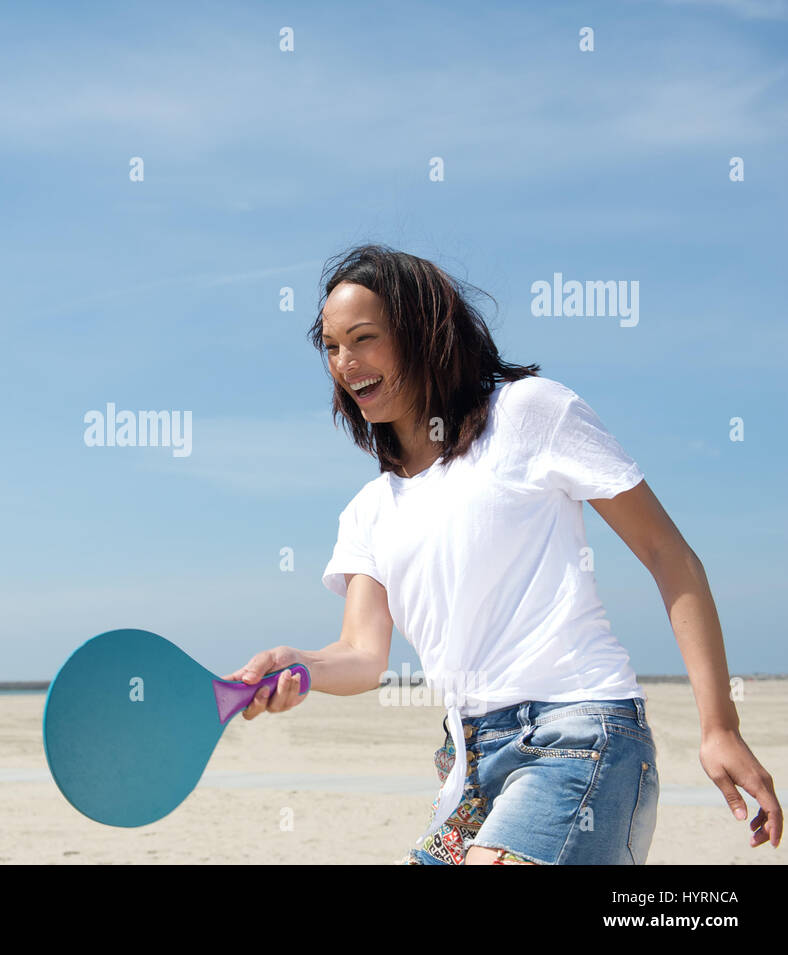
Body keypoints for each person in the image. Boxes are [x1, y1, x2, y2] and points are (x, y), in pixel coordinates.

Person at [226, 244, 781, 864]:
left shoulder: (527, 413)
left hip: (579, 737)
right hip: (467, 766)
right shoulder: (369, 511)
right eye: (330, 347)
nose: (345, 362)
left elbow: (668, 553)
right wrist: (296, 662)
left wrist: (719, 726)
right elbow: (360, 656)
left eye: (363, 338)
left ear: (422, 333)